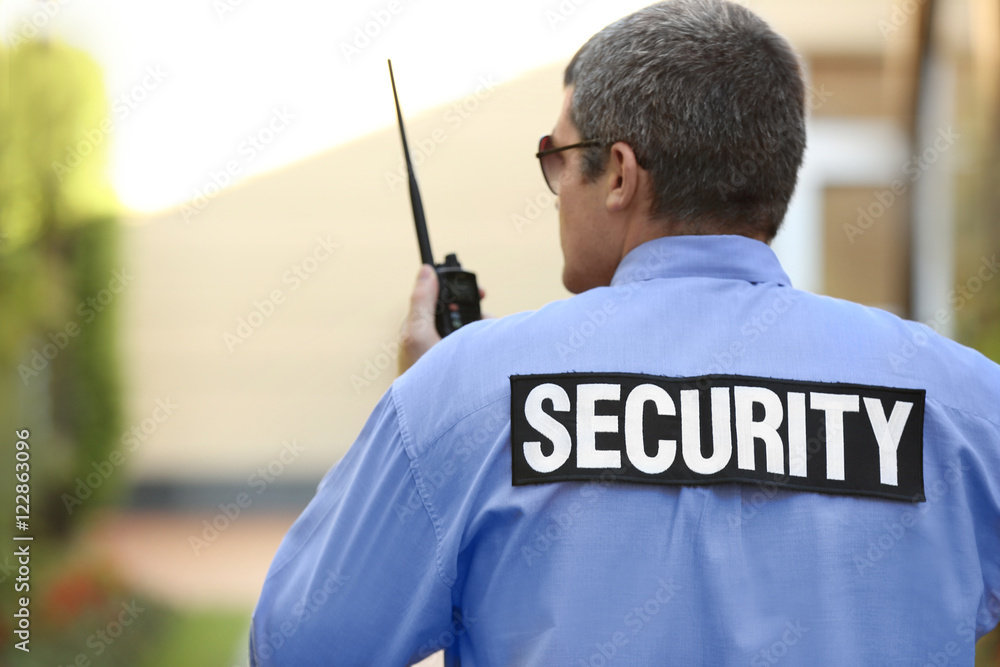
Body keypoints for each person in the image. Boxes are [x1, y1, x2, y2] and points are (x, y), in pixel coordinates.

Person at [250, 0, 1000, 664]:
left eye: (557, 158)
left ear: (618, 174)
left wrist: (429, 404)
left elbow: (298, 646)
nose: (552, 191)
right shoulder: (966, 405)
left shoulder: (468, 391)